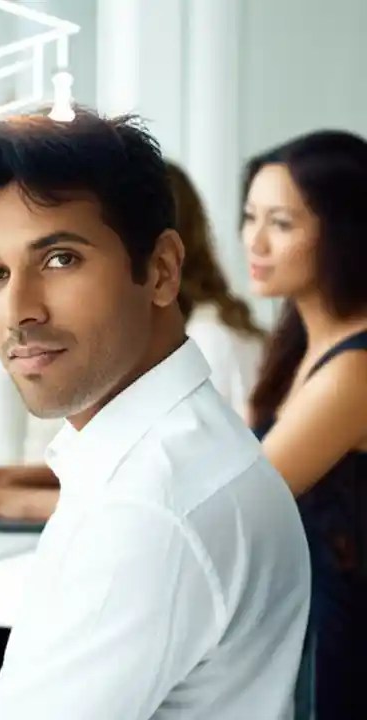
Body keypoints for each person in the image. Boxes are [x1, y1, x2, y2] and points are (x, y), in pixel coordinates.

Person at [0, 110, 309, 718]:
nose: (17, 310)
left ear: (161, 270)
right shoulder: (170, 448)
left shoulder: (147, 509)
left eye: (60, 259)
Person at [0, 161, 269, 523]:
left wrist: (13, 501)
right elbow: (130, 470)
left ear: (160, 262)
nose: (17, 314)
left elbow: (172, 490)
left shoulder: (206, 341)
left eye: (62, 259)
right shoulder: (183, 335)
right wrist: (8, 478)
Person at [244, 130, 367, 719]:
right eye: (250, 217)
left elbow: (236, 500)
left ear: (342, 233)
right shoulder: (298, 347)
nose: (255, 241)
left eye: (282, 224)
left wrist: (25, 505)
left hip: (342, 643)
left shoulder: (355, 371)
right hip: (302, 623)